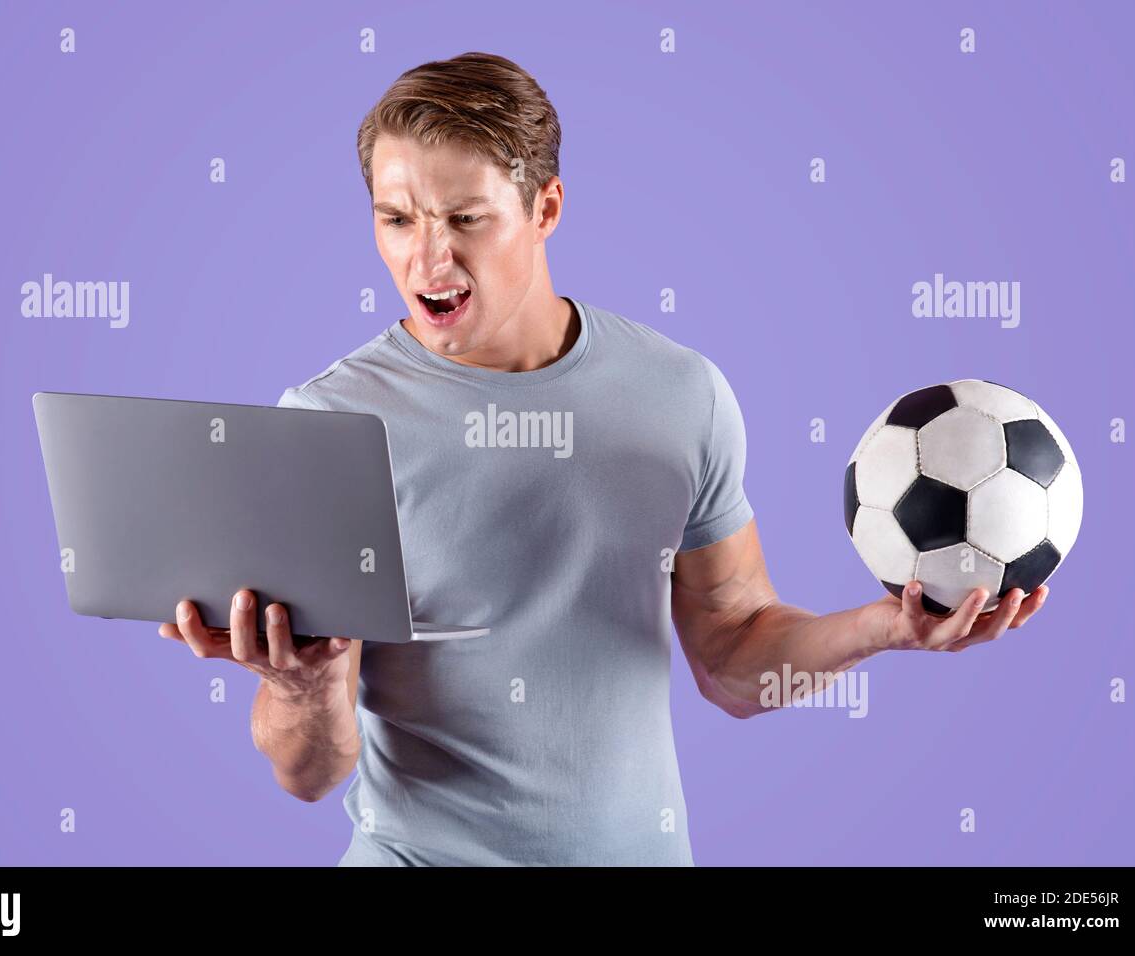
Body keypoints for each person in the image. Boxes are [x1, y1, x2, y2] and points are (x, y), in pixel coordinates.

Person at [157, 52, 1048, 866]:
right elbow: (310, 775)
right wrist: (300, 686)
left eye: (466, 218)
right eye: (396, 218)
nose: (427, 256)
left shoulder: (679, 393)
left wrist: (885, 628)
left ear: (545, 207)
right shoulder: (329, 423)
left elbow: (735, 657)